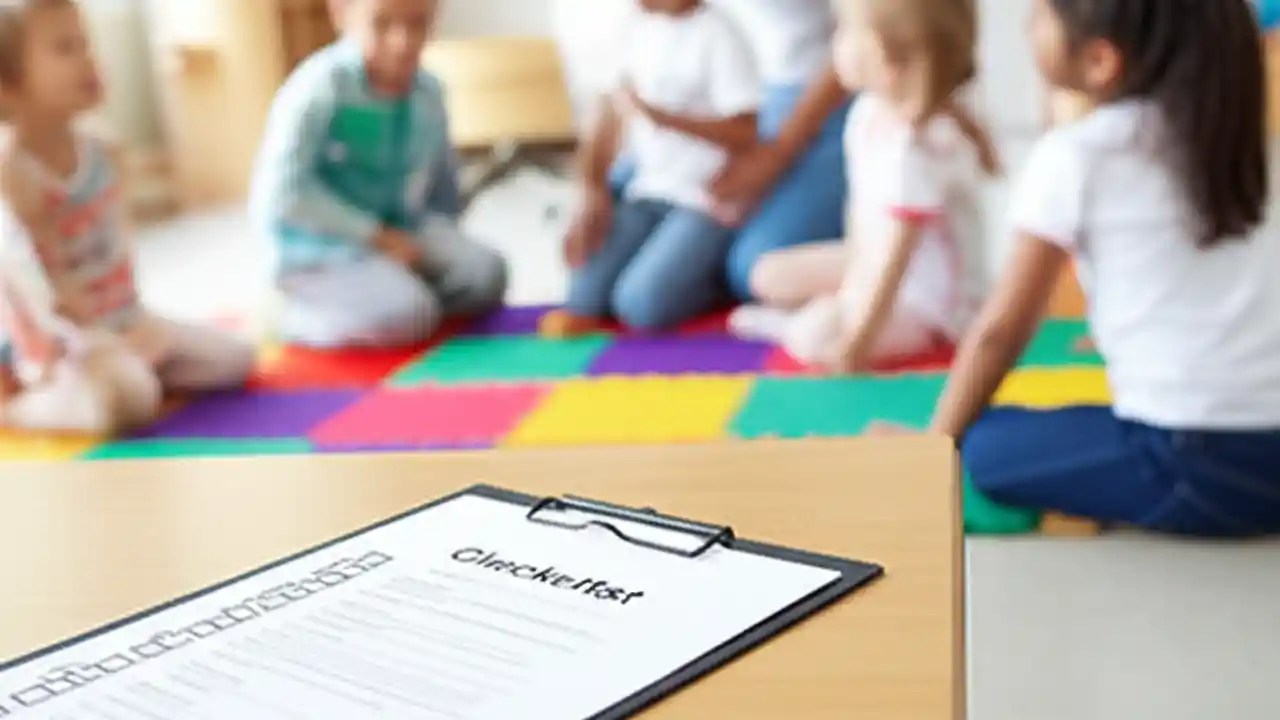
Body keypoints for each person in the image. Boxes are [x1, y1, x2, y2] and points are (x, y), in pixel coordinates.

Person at [931, 0, 1280, 536]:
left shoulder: (1080, 155)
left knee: (985, 444)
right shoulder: (1257, 145)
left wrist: (932, 448)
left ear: (1099, 60)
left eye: (1043, 12)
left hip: (1188, 464)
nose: (1029, 23)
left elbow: (1000, 332)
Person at [0, 0, 254, 434]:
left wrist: (135, 326)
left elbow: (118, 253)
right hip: (65, 345)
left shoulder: (104, 151)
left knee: (234, 359)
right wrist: (67, 340)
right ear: (8, 84)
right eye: (66, 48)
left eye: (86, 43)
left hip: (126, 322)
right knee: (127, 404)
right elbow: (30, 288)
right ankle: (18, 409)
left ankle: (128, 374)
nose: (89, 59)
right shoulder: (12, 170)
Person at [730, 0, 995, 372]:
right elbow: (864, 223)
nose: (833, 44)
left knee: (815, 336)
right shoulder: (868, 111)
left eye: (844, 31)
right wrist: (855, 280)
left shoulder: (914, 150)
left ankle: (797, 325)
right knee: (766, 275)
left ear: (888, 61)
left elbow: (896, 260)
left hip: (928, 306)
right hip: (871, 259)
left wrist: (856, 344)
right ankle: (822, 313)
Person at [252, 0, 508, 349]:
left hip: (401, 230)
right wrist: (376, 237)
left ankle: (395, 298)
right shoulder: (319, 86)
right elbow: (283, 195)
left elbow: (442, 190)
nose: (402, 42)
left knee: (487, 274)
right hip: (322, 245)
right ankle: (291, 314)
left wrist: (438, 241)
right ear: (340, 14)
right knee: (407, 315)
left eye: (418, 23)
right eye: (382, 24)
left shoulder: (430, 92)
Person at [540, 0, 759, 335]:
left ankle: (711, 277)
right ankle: (667, 267)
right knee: (584, 298)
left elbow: (746, 131)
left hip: (703, 200)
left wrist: (665, 119)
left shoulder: (719, 34)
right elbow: (607, 114)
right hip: (646, 191)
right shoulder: (634, 28)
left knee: (641, 306)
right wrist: (592, 190)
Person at [706, 0, 853, 300]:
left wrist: (774, 156)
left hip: (821, 106)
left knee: (752, 267)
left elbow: (863, 34)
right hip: (730, 104)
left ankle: (889, 261)